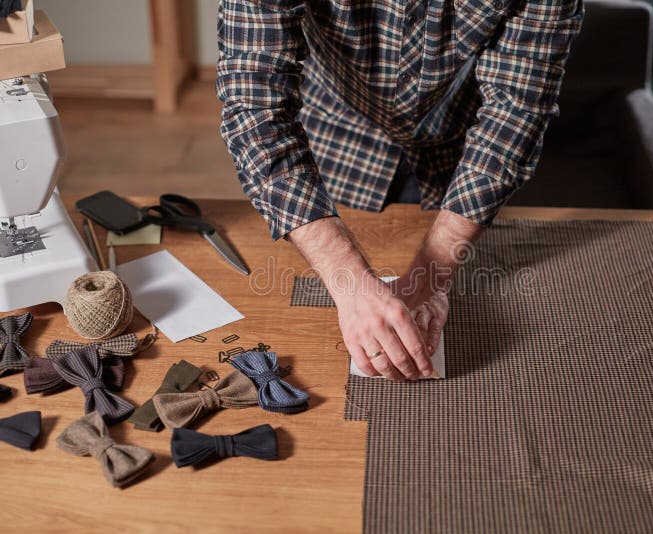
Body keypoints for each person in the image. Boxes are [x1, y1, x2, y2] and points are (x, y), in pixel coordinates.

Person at [217, 0, 583, 380]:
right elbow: (254, 105)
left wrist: (430, 275)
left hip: (458, 154)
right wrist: (351, 282)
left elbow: (516, 111)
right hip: (329, 151)